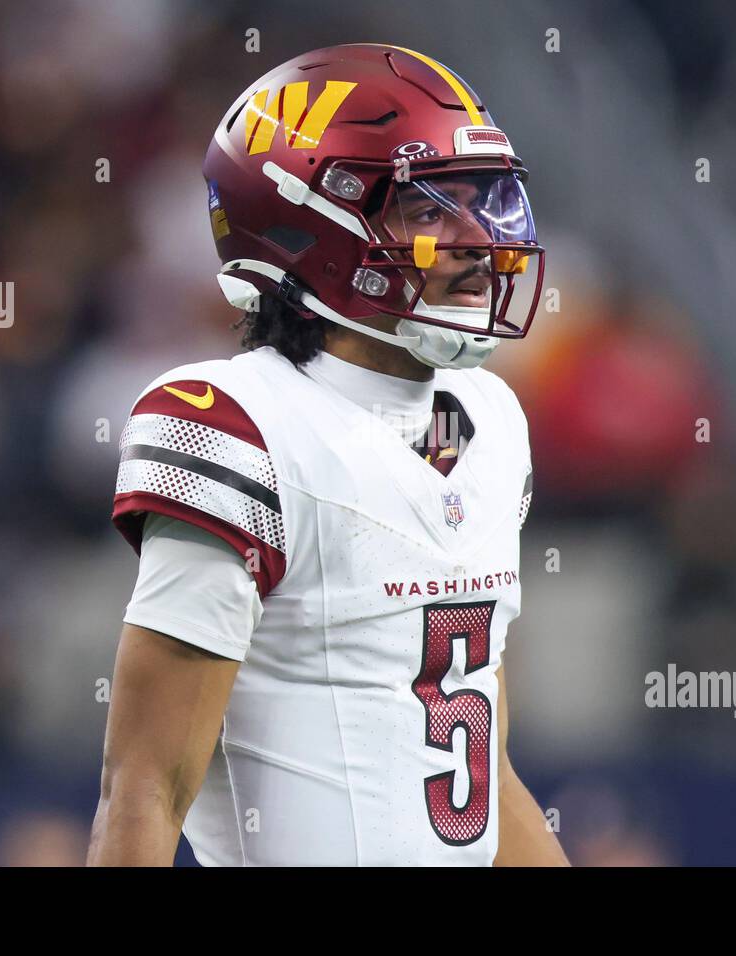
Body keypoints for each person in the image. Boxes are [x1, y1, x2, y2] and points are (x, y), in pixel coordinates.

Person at [88, 43, 567, 866]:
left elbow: (474, 770)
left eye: (483, 202)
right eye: (427, 211)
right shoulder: (239, 425)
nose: (476, 240)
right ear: (308, 225)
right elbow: (144, 786)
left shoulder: (489, 418)